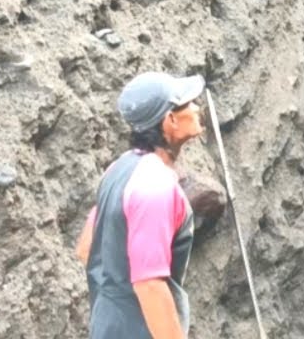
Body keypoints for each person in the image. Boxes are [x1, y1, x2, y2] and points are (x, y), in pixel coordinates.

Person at [75, 72, 207, 339]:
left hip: (107, 325)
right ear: (170, 121)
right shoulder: (155, 187)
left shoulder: (119, 167)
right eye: (187, 103)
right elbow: (149, 285)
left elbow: (86, 248)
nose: (196, 107)